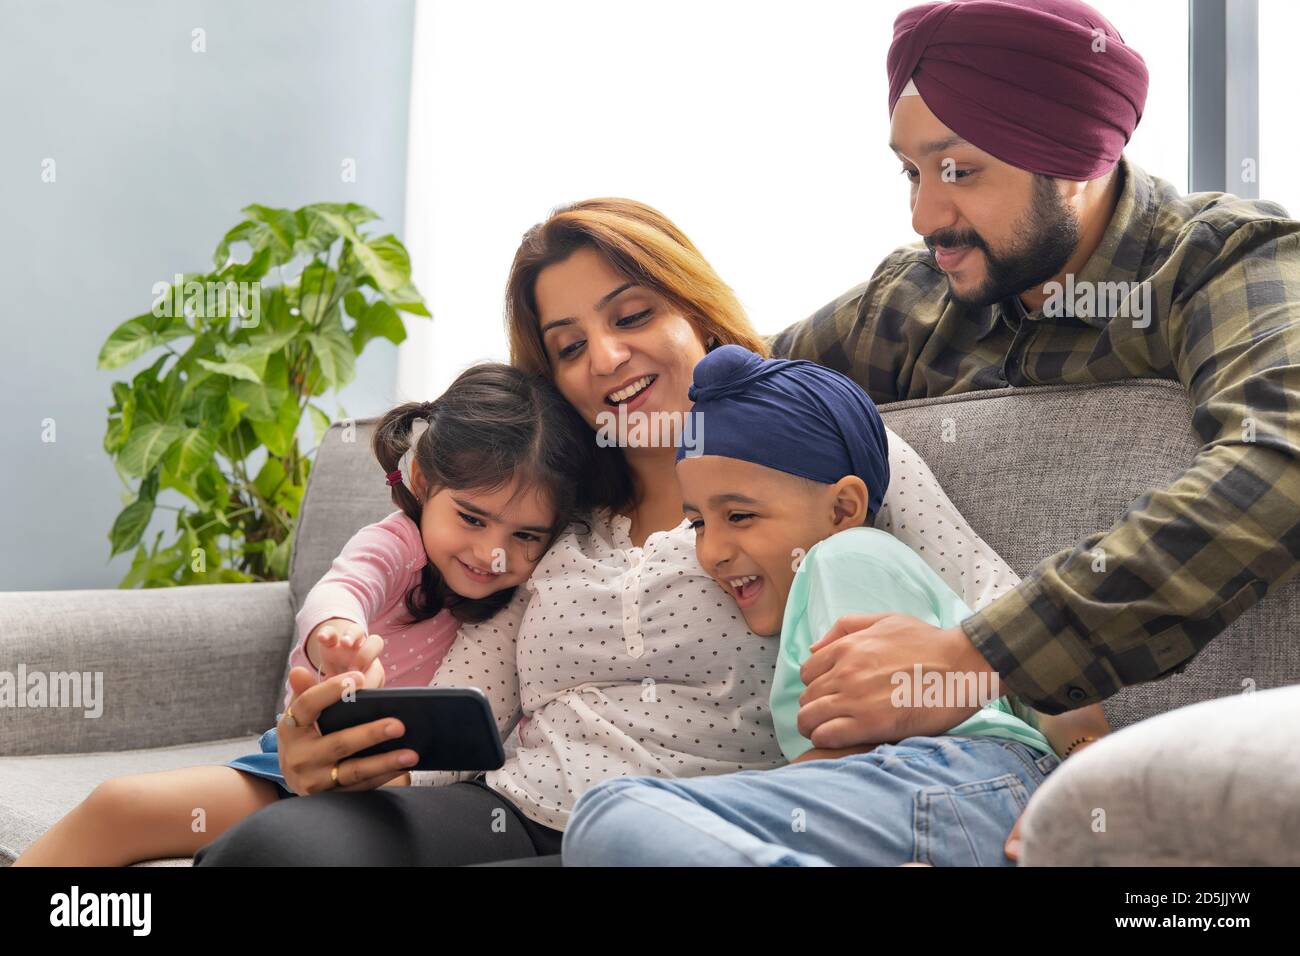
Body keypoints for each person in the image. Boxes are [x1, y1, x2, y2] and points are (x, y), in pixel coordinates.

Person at [193, 199, 1034, 866]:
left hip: (694, 827)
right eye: (567, 345)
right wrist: (338, 757)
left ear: (695, 316)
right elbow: (469, 708)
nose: (603, 357)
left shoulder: (816, 459)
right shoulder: (548, 518)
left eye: (631, 315)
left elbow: (1017, 623)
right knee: (271, 853)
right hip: (515, 807)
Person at [767, 0, 1300, 757]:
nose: (923, 212)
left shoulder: (1222, 265)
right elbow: (731, 388)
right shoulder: (908, 304)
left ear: (1077, 158)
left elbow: (1279, 464)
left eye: (960, 171)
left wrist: (972, 658)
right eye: (910, 171)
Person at [14, 363, 596, 866]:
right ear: (421, 482)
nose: (491, 552)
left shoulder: (539, 590)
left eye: (524, 534)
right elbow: (343, 587)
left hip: (429, 798)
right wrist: (336, 636)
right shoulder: (400, 542)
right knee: (119, 805)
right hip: (311, 763)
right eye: (471, 518)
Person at [563, 345, 1108, 866]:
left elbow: (860, 742)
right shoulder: (844, 589)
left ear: (844, 507)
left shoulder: (848, 556)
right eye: (699, 523)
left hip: (956, 781)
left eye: (741, 516)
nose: (713, 553)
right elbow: (1048, 684)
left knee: (613, 814)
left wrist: (1091, 786)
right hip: (963, 805)